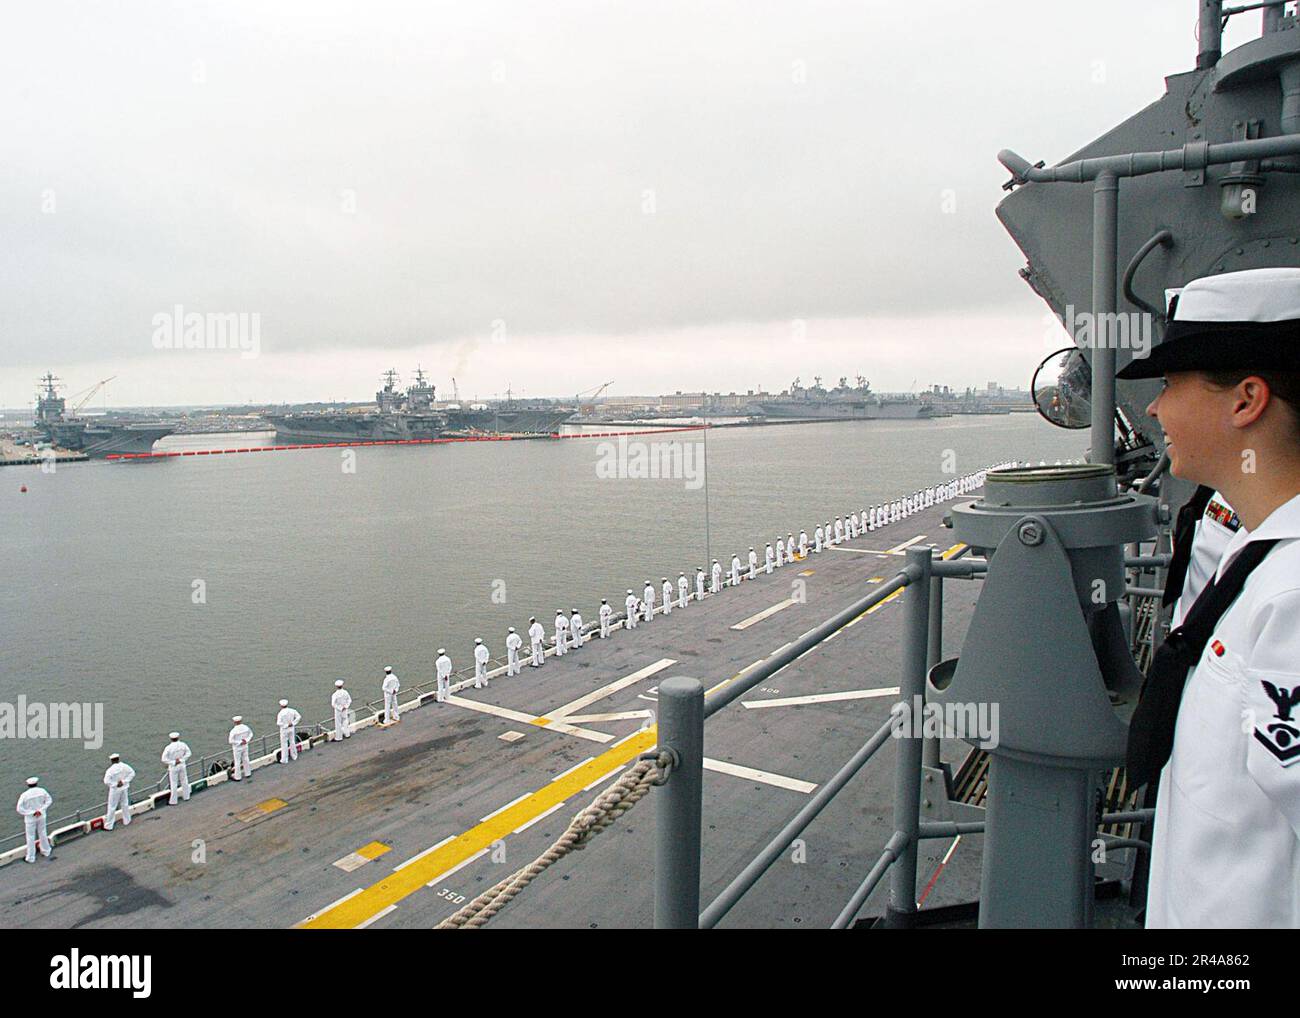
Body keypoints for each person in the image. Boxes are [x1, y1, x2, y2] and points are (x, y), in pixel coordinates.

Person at [1119, 267, 1300, 928]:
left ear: (1246, 400)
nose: (1154, 409)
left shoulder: (1291, 599)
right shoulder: (1257, 560)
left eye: (1170, 385)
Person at [16, 777, 52, 863]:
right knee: (43, 832)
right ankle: (46, 850)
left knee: (30, 836)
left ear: (28, 785)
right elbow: (49, 800)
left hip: (30, 818)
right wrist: (41, 810)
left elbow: (19, 809)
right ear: (36, 783)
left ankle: (31, 857)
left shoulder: (24, 795)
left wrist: (31, 812)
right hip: (41, 815)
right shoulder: (42, 791)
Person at [102, 753, 135, 829]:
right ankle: (127, 820)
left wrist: (115, 784)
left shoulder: (110, 770)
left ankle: (109, 826)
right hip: (124, 788)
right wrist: (124, 781)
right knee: (125, 804)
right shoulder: (124, 766)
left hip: (115, 790)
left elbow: (106, 781)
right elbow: (132, 773)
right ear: (118, 759)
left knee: (112, 806)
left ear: (111, 760)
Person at [161, 732, 192, 802]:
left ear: (171, 739)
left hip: (173, 766)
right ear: (178, 737)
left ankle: (173, 801)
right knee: (184, 781)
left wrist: (173, 762)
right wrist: (181, 759)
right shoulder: (183, 745)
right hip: (182, 765)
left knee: (173, 783)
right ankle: (186, 796)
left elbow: (163, 759)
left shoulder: (168, 747)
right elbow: (189, 753)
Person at [276, 700, 301, 764]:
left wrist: (286, 725)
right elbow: (299, 716)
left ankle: (284, 759)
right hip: (291, 728)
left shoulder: (280, 713)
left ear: (281, 705)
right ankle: (294, 756)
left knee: (284, 744)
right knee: (292, 742)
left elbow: (278, 723)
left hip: (284, 729)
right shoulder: (292, 710)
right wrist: (293, 723)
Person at [228, 715, 253, 780]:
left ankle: (237, 777)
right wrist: (246, 740)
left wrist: (239, 742)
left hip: (237, 747)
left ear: (234, 722)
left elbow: (230, 741)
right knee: (246, 759)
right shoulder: (246, 727)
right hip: (245, 745)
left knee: (237, 762)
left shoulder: (233, 730)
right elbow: (251, 734)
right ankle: (248, 773)